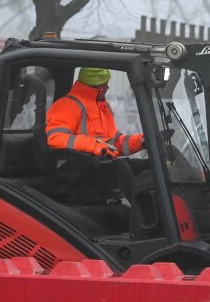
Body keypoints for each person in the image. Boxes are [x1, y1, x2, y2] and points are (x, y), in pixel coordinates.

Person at [45, 67, 146, 203]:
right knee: (120, 167)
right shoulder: (66, 105)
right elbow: (55, 138)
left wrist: (142, 141)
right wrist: (94, 146)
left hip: (101, 166)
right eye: (105, 83)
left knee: (147, 167)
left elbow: (114, 143)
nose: (108, 87)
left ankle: (163, 212)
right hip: (76, 172)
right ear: (95, 85)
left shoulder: (103, 107)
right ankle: (144, 213)